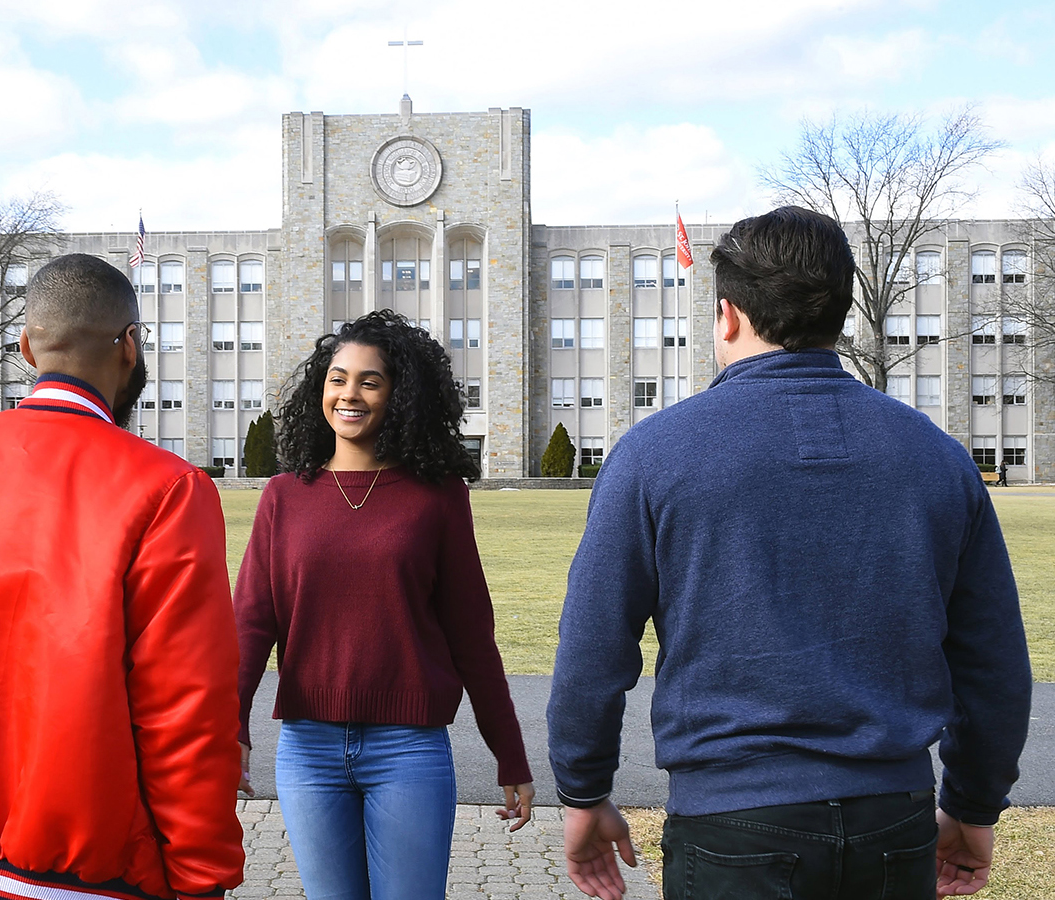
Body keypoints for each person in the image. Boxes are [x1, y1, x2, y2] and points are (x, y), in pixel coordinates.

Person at [547, 206, 1032, 900]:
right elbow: (992, 661)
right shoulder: (938, 457)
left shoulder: (654, 455)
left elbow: (593, 647)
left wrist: (583, 790)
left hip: (732, 824)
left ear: (727, 316)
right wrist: (974, 804)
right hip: (890, 821)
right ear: (840, 312)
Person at [0, 253, 244, 900]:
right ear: (131, 346)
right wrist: (202, 875)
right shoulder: (167, 488)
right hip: (91, 869)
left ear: (25, 348)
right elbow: (184, 705)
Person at [235, 309, 534, 900]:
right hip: (307, 749)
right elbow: (249, 625)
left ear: (400, 396)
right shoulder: (283, 495)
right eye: (338, 378)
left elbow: (472, 635)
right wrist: (230, 727)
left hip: (409, 748)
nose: (349, 394)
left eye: (369, 382)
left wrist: (510, 755)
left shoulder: (438, 497)